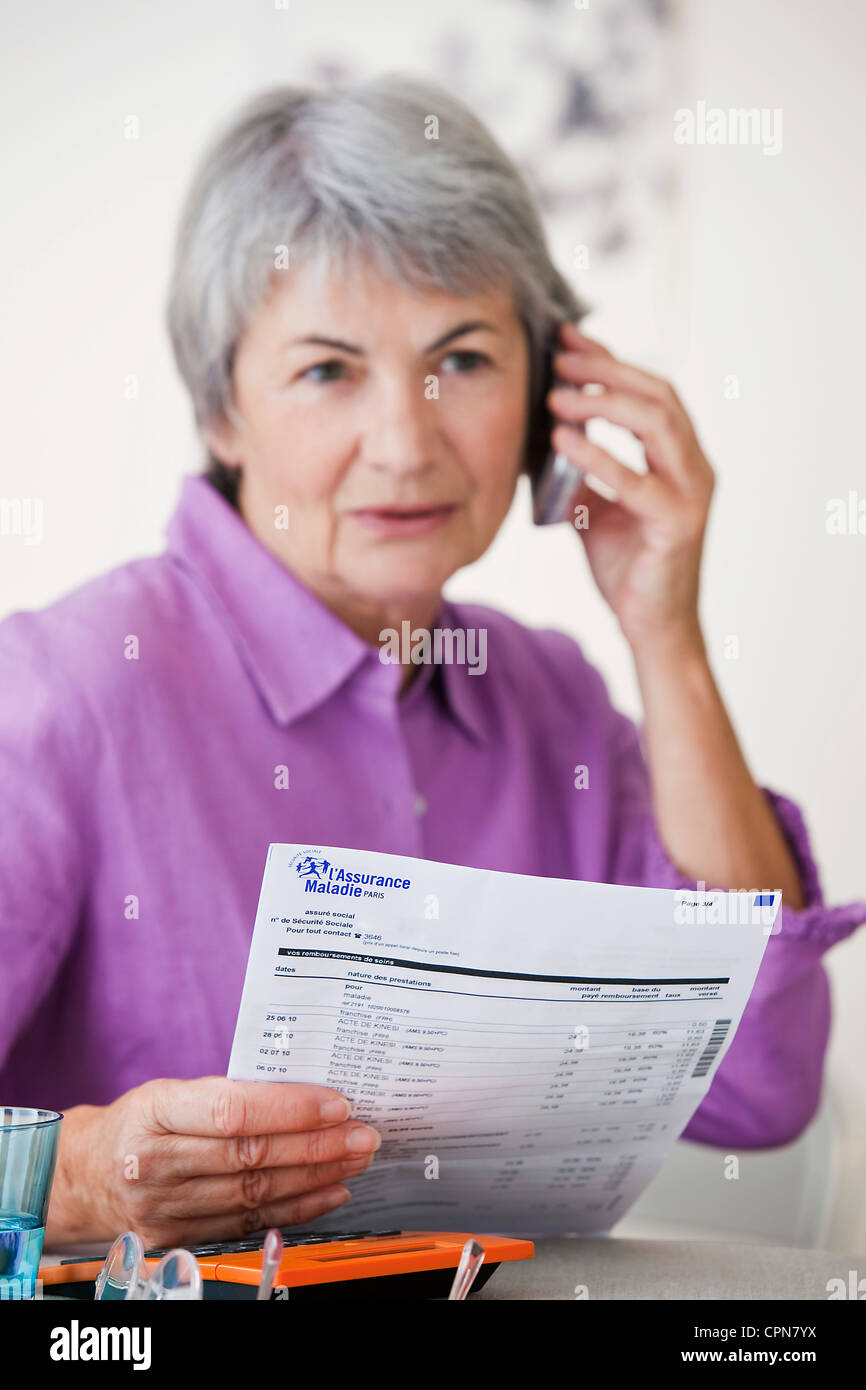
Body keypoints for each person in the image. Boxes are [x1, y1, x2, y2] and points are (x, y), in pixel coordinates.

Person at [1, 74, 863, 1250]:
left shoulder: (552, 701)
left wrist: (664, 633)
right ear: (220, 412)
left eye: (460, 359)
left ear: (551, 390)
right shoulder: (65, 689)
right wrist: (85, 1180)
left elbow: (761, 1087)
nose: (406, 444)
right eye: (326, 370)